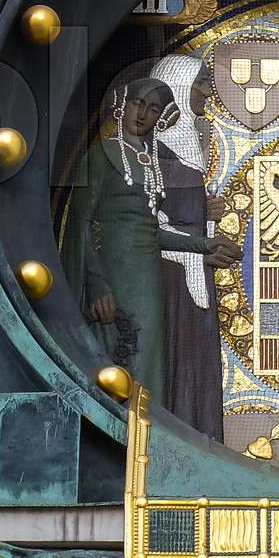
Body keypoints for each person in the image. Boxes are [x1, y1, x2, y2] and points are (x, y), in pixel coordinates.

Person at [73, 78, 232, 406]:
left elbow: (149, 231)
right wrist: (97, 285)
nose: (143, 114)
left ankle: (145, 440)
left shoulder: (150, 159)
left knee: (149, 365)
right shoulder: (102, 154)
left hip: (148, 278)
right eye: (137, 103)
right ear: (123, 104)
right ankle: (118, 441)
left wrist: (204, 245)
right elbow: (80, 224)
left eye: (154, 108)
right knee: (118, 359)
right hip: (117, 276)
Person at [149, 55, 233, 439]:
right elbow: (150, 221)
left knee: (196, 363)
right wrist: (200, 219)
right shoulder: (154, 153)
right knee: (179, 360)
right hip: (170, 279)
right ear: (178, 90)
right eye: (199, 84)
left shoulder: (184, 147)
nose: (205, 92)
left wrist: (204, 214)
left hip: (190, 273)